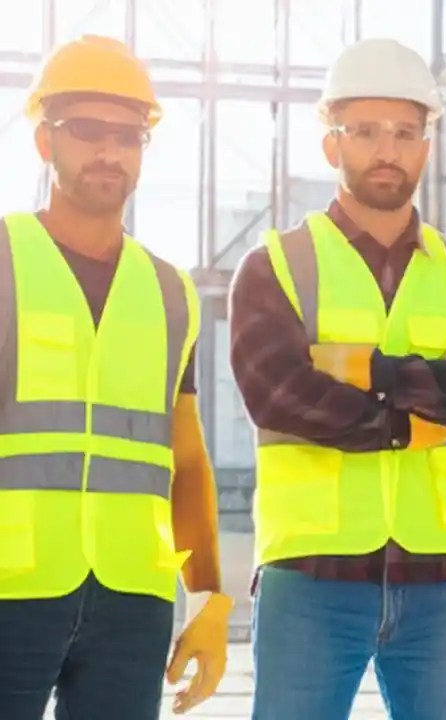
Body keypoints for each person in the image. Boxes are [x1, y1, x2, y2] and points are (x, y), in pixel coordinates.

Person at [227, 38, 446, 720]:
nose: (386, 150)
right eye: (363, 131)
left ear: (427, 145)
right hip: (311, 578)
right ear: (331, 144)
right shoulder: (277, 267)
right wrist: (425, 416)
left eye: (404, 132)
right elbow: (280, 396)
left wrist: (370, 371)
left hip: (445, 582)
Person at [0, 35, 230, 719]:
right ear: (45, 142)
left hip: (134, 600)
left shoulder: (170, 292)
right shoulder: (5, 262)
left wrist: (212, 596)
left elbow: (185, 458)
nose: (109, 153)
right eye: (87, 132)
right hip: (11, 587)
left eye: (127, 136)